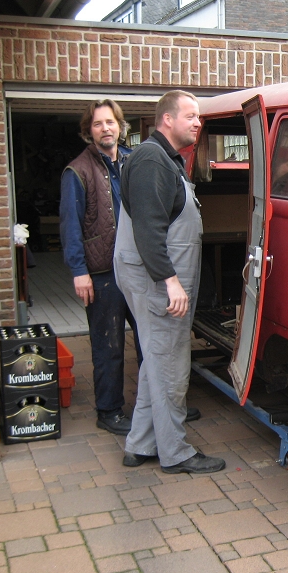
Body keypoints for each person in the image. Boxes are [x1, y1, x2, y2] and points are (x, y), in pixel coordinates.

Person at [115, 90, 224, 474]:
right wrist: (170, 282)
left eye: (198, 117)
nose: (198, 122)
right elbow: (148, 229)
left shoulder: (165, 159)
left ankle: (141, 443)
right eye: (191, 115)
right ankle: (175, 452)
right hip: (157, 281)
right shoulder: (151, 161)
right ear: (167, 120)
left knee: (156, 359)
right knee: (171, 364)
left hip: (161, 278)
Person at [60, 100, 139, 435]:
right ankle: (108, 411)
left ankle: (157, 404)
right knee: (108, 346)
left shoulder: (135, 162)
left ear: (120, 126)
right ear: (87, 131)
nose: (106, 128)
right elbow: (70, 225)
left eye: (110, 122)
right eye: (97, 124)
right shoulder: (76, 171)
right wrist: (79, 271)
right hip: (103, 273)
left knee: (151, 341)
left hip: (139, 268)